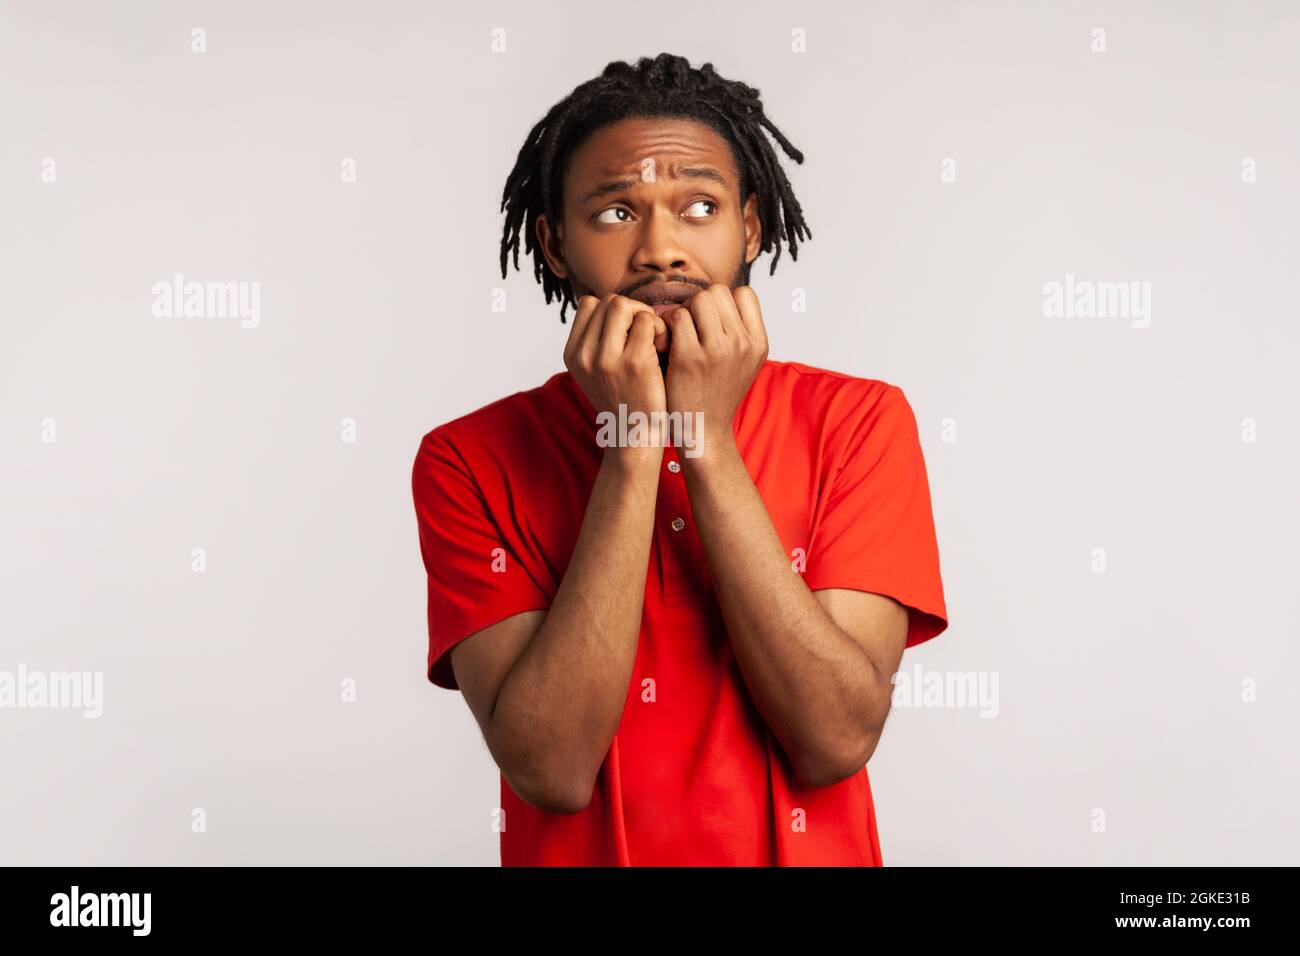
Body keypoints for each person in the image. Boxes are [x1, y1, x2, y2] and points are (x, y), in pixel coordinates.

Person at [412, 53, 949, 865]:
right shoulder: (467, 458)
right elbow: (551, 769)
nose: (661, 250)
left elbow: (834, 738)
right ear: (554, 244)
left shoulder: (858, 423)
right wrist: (633, 449)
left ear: (751, 228)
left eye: (700, 206)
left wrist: (706, 441)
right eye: (615, 212)